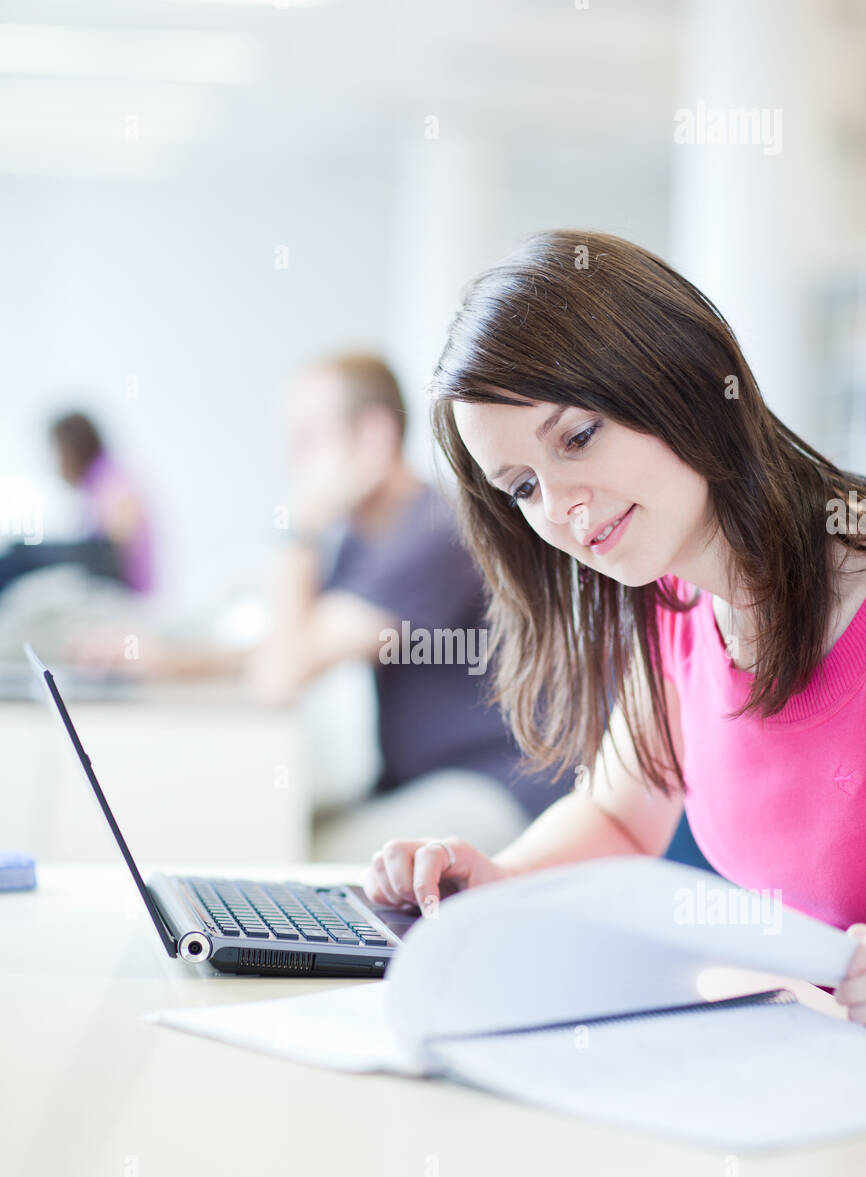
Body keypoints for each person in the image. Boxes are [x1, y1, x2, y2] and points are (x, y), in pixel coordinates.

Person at [360, 230, 866, 1027]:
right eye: (523, 485)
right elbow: (622, 816)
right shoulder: (681, 603)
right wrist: (493, 880)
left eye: (579, 437)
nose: (560, 507)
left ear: (684, 375)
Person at [248, 353, 567, 856]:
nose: (291, 462)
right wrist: (164, 660)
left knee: (289, 848)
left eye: (306, 439)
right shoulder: (366, 535)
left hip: (500, 786)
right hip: (427, 782)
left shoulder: (435, 534)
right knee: (276, 826)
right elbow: (293, 641)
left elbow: (279, 674)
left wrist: (298, 529)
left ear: (372, 437)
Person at [0, 413, 154, 597]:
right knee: (19, 554)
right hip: (108, 563)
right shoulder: (100, 478)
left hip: (120, 574)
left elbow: (118, 540)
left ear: (70, 450)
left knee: (21, 554)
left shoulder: (109, 476)